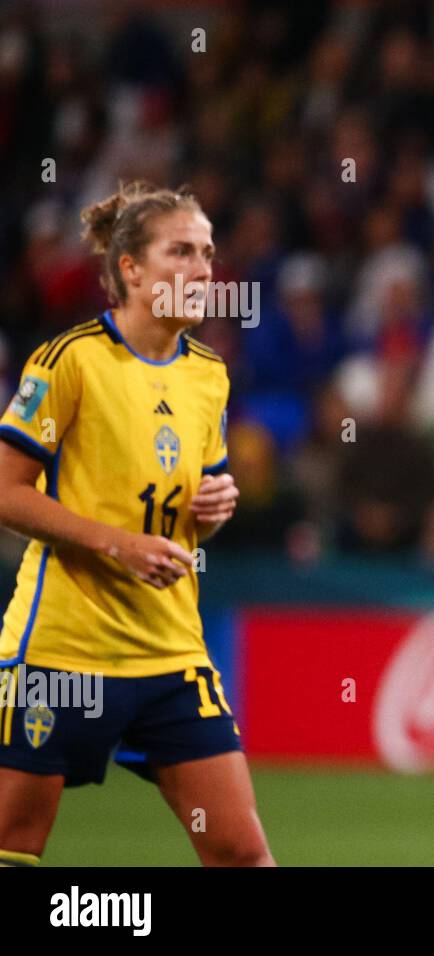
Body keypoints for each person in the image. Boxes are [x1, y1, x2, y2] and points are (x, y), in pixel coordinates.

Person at [0, 182, 273, 866]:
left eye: (208, 254)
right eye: (180, 251)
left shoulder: (209, 375)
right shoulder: (70, 361)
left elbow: (184, 525)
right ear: (131, 268)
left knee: (241, 852)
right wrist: (113, 543)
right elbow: (5, 489)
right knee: (14, 845)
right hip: (62, 650)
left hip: (170, 654)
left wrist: (210, 514)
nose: (203, 270)